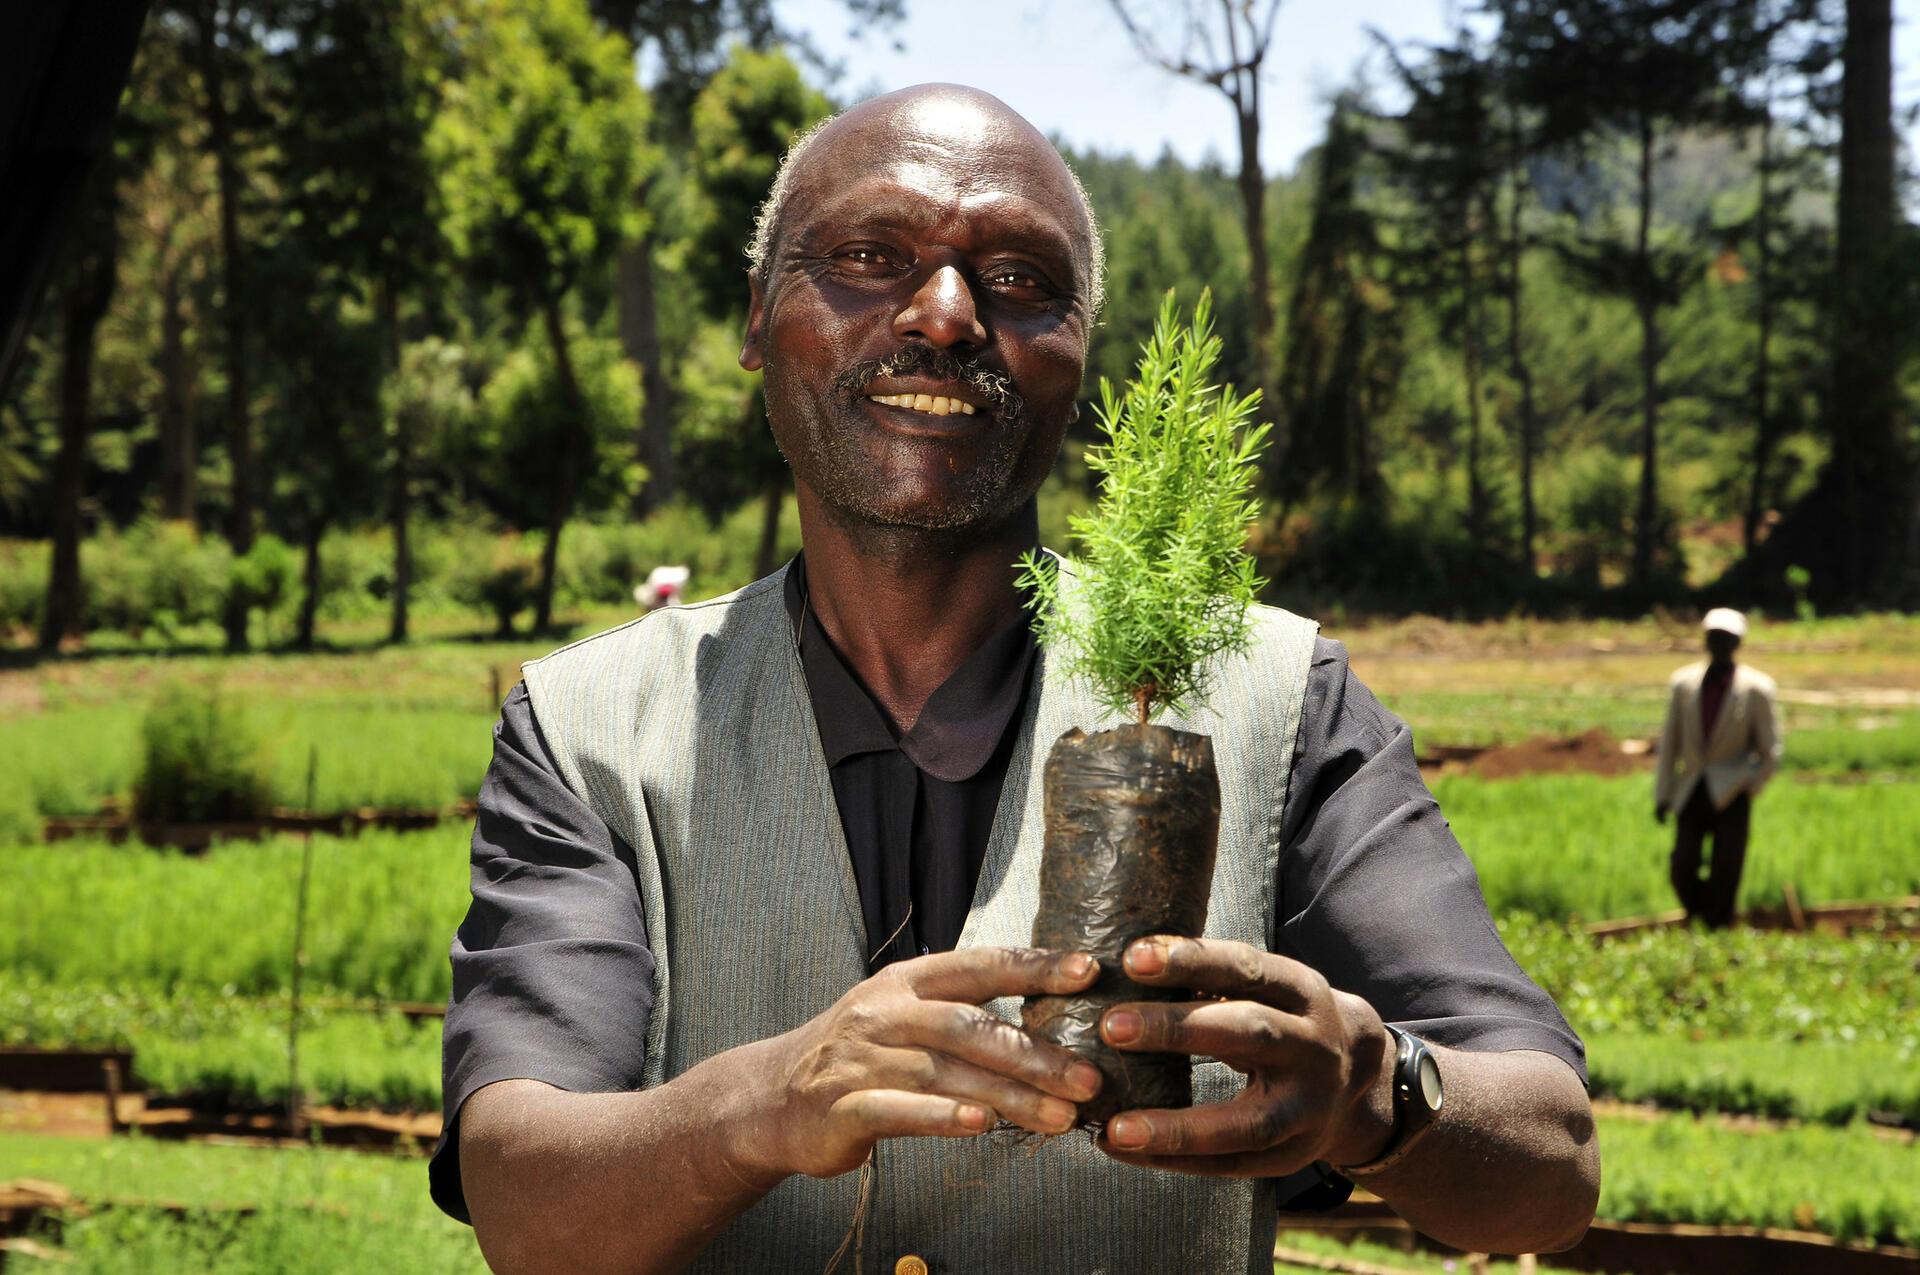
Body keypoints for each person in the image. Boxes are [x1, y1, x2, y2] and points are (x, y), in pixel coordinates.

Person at [432, 84, 1599, 1274]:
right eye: (870, 255)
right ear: (756, 320)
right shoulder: (589, 731)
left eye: (1021, 282)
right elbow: (522, 1203)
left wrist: (1373, 1088)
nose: (943, 315)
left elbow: (1551, 1169)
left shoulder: (1276, 701)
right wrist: (766, 1104)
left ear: (1079, 357)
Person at [1654, 608, 1783, 928]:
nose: (1718, 644)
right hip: (1691, 787)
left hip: (1732, 789)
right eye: (1713, 638)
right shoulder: (1683, 684)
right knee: (1682, 864)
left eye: (1725, 639)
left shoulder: (1756, 689)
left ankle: (1719, 922)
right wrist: (1662, 794)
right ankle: (1701, 915)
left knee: (1727, 865)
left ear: (1737, 643)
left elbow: (1770, 750)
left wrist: (1750, 784)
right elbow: (1670, 744)